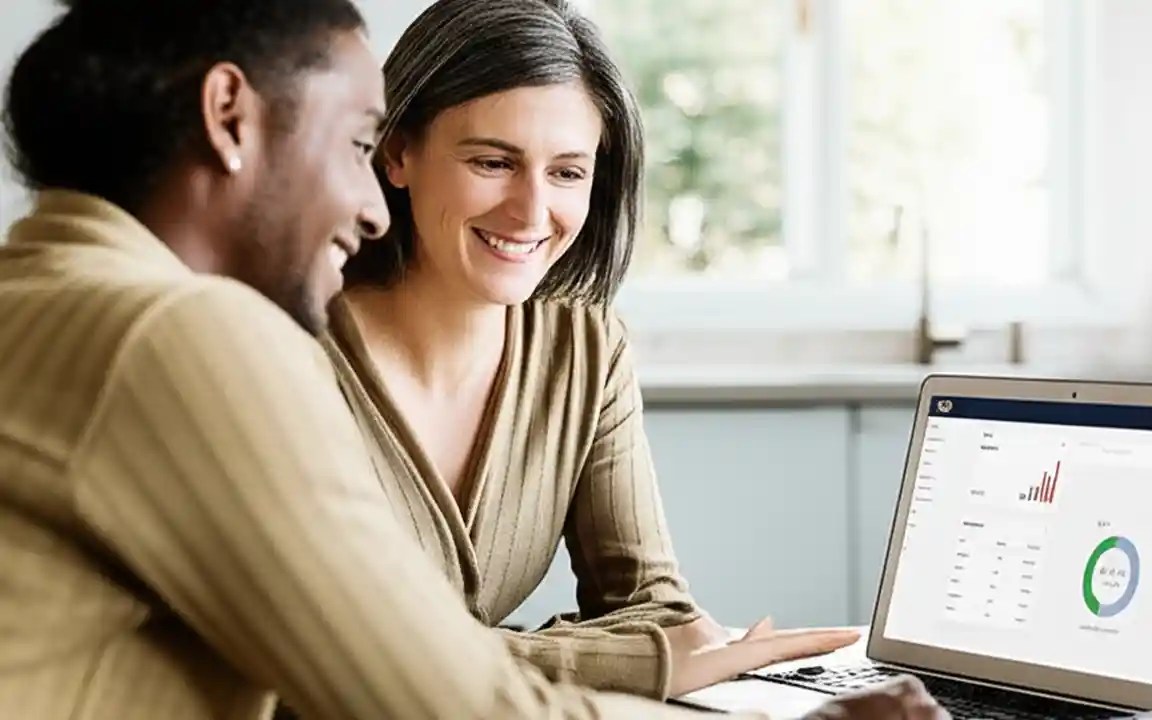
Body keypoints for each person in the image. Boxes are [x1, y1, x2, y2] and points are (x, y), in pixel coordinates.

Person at [0, 0, 947, 718]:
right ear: (229, 116)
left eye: (568, 171)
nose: (369, 204)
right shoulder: (180, 334)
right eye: (358, 143)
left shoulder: (46, 296)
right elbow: (436, 700)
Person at [332, 0, 855, 699]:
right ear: (397, 152)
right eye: (493, 161)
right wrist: (620, 659)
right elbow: (336, 652)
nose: (530, 211)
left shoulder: (584, 347)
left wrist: (653, 650)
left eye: (568, 173)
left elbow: (657, 615)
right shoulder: (289, 345)